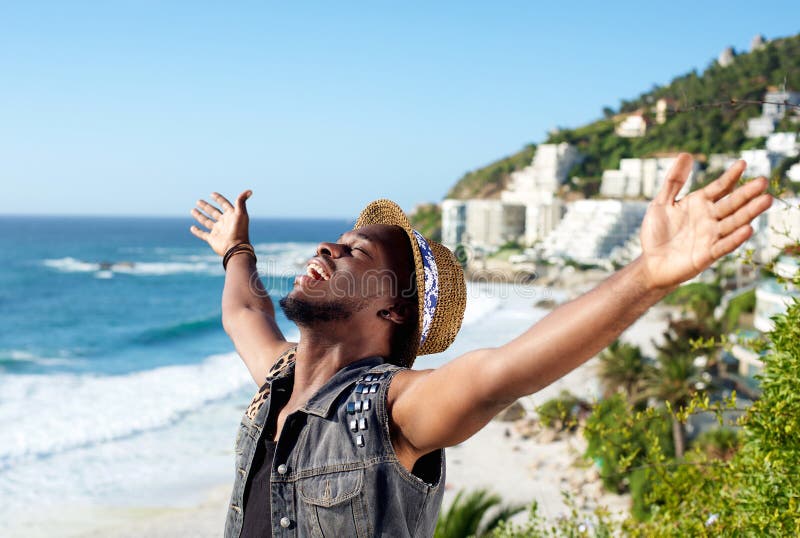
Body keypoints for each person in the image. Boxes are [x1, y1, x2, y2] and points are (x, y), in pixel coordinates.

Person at [189, 154, 772, 537]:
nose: (328, 248)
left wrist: (648, 275)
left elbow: (506, 372)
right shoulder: (280, 380)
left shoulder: (395, 407)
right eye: (338, 241)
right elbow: (245, 310)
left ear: (390, 307)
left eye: (356, 252)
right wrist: (236, 249)